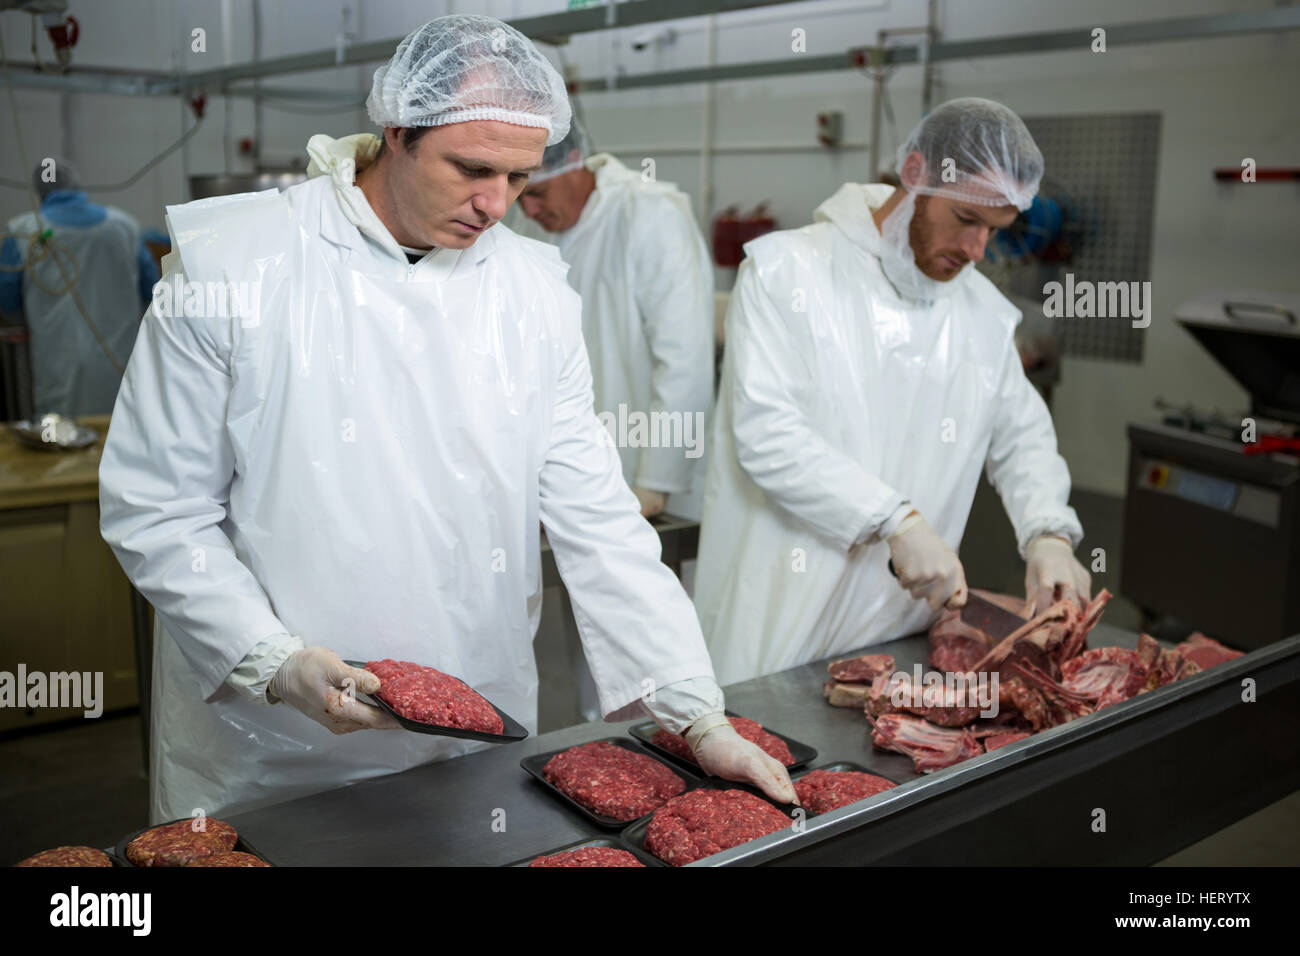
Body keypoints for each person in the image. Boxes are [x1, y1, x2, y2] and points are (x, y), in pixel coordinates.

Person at [99, 14, 794, 823]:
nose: (497, 205)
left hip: (471, 732)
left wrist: (694, 712)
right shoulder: (236, 264)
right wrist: (272, 663)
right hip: (270, 750)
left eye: (520, 179)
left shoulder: (534, 294)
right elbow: (159, 506)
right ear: (395, 130)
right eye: (471, 168)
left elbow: (598, 520)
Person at [695, 98, 1091, 685]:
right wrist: (894, 521)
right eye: (965, 218)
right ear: (914, 176)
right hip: (776, 624)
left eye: (995, 231)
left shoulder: (981, 314)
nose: (978, 249)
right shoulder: (787, 273)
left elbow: (1022, 436)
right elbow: (767, 434)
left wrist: (1048, 531)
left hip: (898, 632)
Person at [513, 120, 714, 521]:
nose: (529, 210)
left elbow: (685, 360)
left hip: (639, 470)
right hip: (560, 473)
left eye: (536, 193)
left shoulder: (647, 212)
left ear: (574, 163)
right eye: (518, 197)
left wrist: (657, 482)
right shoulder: (529, 228)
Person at [0, 159, 157, 416]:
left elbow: (7, 301)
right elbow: (153, 292)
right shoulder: (124, 226)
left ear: (39, 191)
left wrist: (36, 321)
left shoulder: (23, 231)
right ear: (76, 183)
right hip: (119, 359)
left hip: (57, 357)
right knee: (119, 428)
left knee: (62, 438)